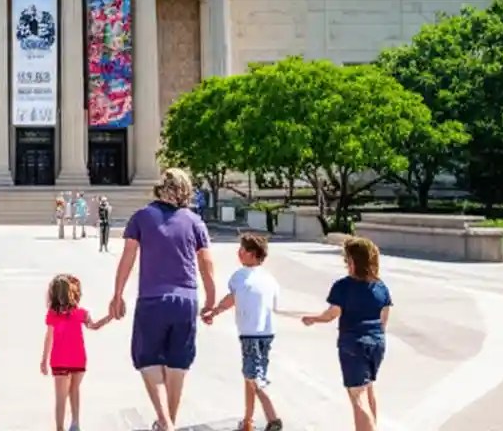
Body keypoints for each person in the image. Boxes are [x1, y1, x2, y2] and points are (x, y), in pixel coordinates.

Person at [109, 168, 216, 431]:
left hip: (152, 299)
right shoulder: (194, 221)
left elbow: (128, 256)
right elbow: (206, 263)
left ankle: (164, 420)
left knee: (147, 359)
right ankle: (171, 420)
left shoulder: (142, 217)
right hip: (186, 300)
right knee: (178, 362)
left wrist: (118, 294)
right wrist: (211, 298)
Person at [301, 237, 393, 431]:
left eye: (347, 260)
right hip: (377, 343)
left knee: (357, 397)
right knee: (368, 389)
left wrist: (313, 319)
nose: (346, 264)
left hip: (353, 344)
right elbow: (384, 319)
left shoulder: (343, 286)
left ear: (353, 262)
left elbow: (331, 315)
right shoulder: (381, 286)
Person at [201, 233, 284, 431]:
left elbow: (231, 298)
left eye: (243, 249)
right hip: (267, 333)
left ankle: (273, 419)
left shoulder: (240, 276)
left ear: (252, 254)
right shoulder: (270, 278)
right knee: (251, 376)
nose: (239, 252)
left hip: (249, 334)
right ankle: (247, 420)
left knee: (254, 376)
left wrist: (215, 311)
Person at [40, 273, 113, 431]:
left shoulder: (52, 315)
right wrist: (109, 317)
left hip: (59, 360)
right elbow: (94, 326)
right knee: (74, 390)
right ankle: (75, 423)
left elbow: (49, 338)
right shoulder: (81, 313)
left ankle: (60, 427)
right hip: (78, 359)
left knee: (60, 397)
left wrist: (43, 360)